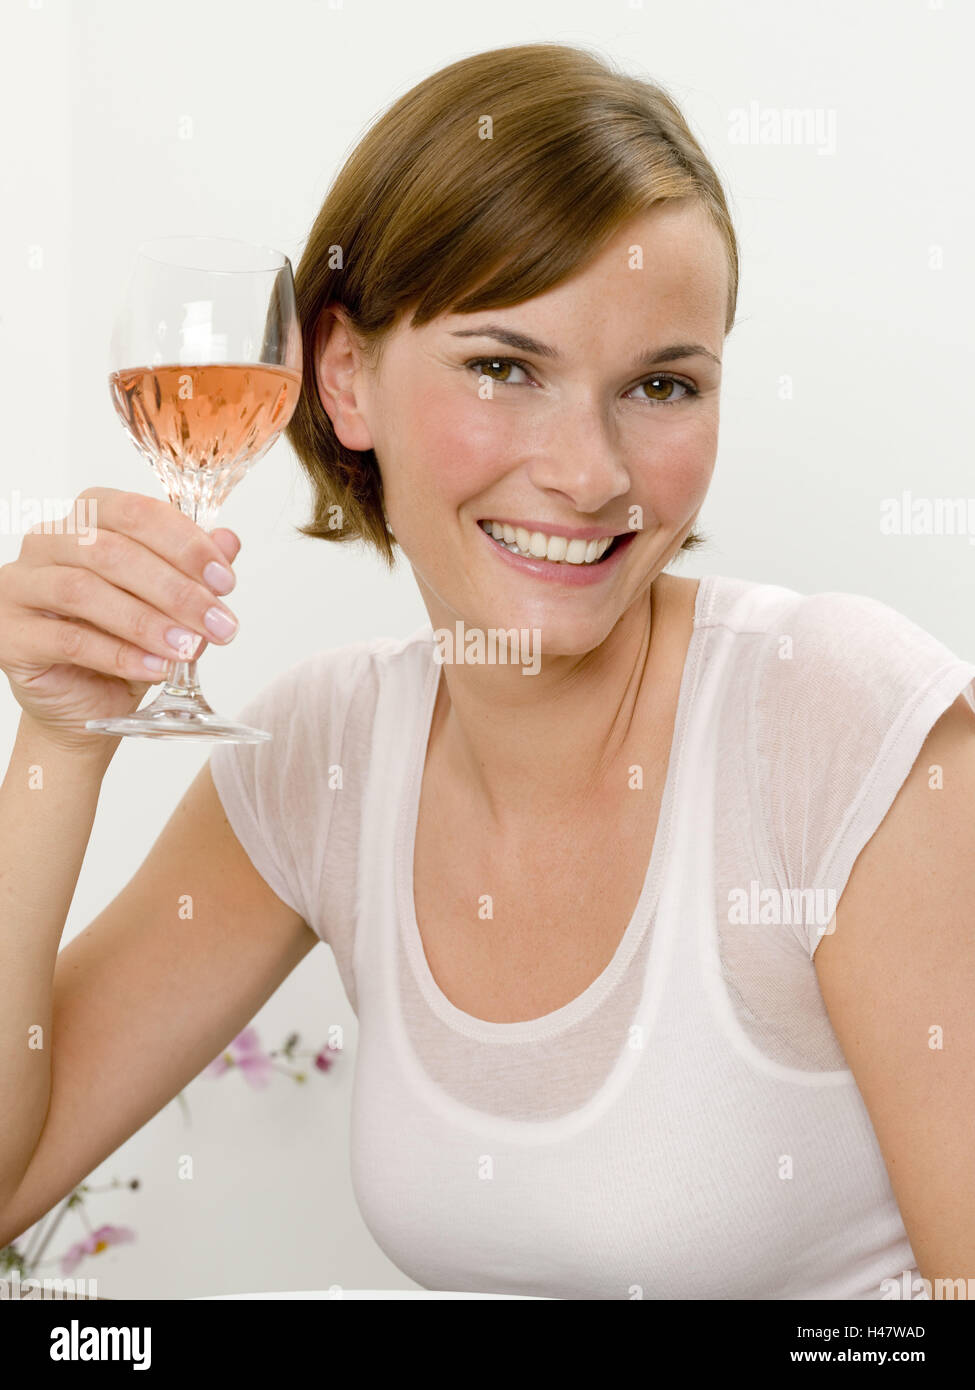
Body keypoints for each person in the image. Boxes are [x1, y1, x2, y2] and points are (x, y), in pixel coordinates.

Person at [1, 42, 973, 1301]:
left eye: (662, 385)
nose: (591, 472)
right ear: (343, 376)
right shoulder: (325, 752)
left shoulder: (844, 721)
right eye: (506, 367)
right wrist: (60, 745)